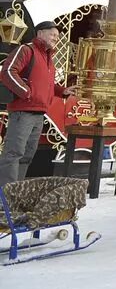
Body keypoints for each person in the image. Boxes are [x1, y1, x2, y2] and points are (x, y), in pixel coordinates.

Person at [0, 21, 74, 187]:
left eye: (57, 36)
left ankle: (17, 193)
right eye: (53, 34)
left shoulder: (48, 58)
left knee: (27, 155)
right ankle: (5, 197)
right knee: (14, 153)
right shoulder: (26, 50)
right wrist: (26, 92)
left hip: (39, 113)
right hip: (22, 112)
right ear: (40, 33)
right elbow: (7, 71)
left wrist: (62, 91)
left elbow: (43, 84)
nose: (56, 38)